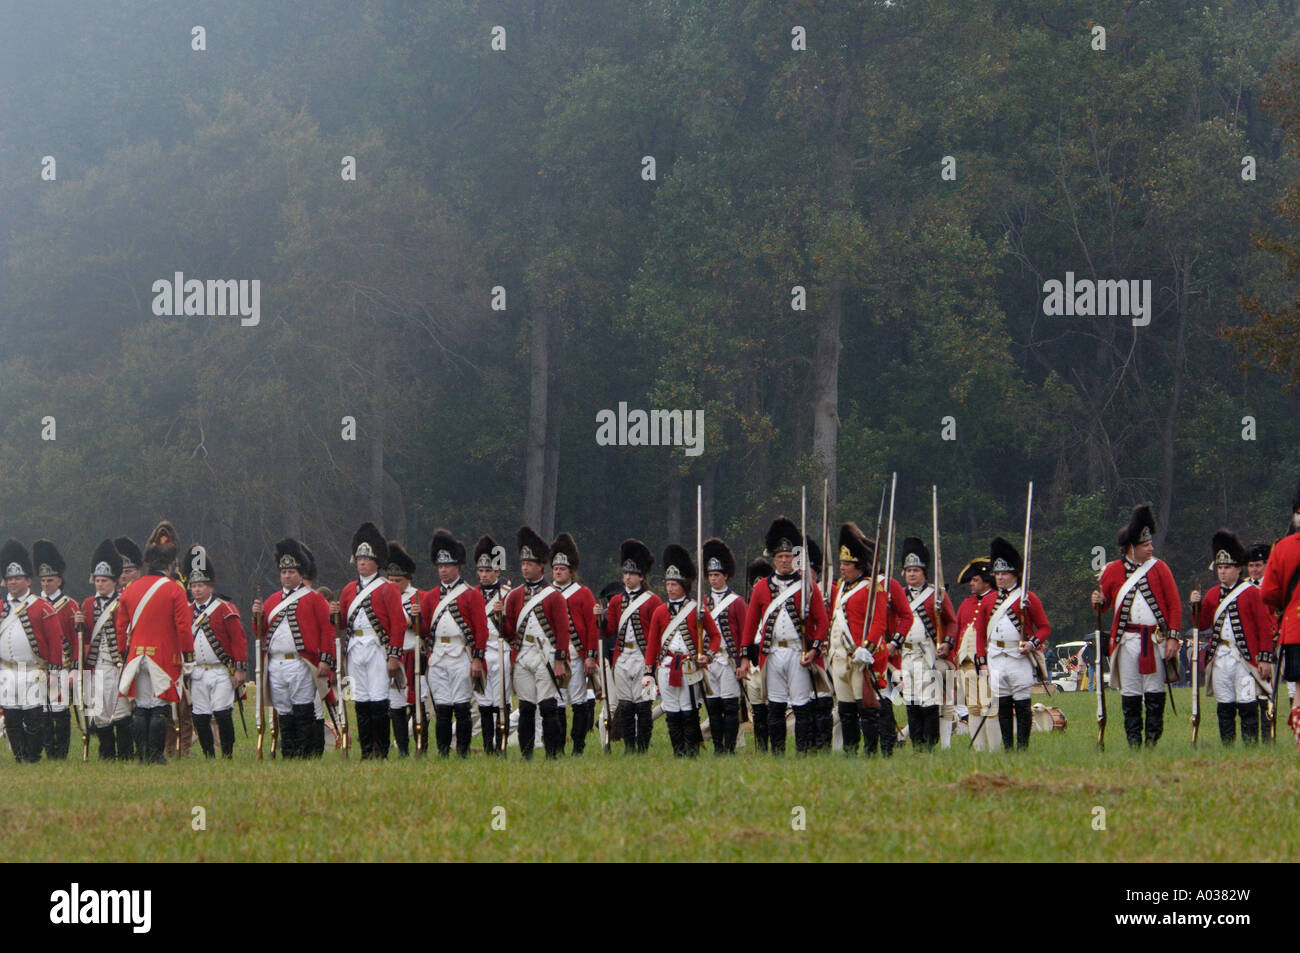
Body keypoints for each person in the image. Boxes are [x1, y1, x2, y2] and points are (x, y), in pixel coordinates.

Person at [1091, 506, 1182, 747]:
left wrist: (1172, 638)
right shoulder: (1111, 571)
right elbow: (1104, 605)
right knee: (1130, 692)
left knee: (1154, 690)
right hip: (1126, 640)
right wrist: (1097, 602)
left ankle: (1152, 740)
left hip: (1155, 640)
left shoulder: (1160, 568)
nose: (1151, 548)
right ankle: (1134, 741)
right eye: (1146, 545)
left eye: (1150, 543)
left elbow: (1174, 605)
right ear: (1131, 547)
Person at [744, 517, 829, 754]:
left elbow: (822, 621)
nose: (784, 560)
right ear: (773, 559)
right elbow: (750, 625)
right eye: (780, 557)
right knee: (776, 705)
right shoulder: (762, 588)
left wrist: (813, 649)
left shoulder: (806, 585)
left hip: (797, 652)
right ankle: (777, 752)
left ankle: (802, 751)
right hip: (772, 653)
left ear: (795, 558)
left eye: (788, 556)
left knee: (801, 703)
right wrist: (744, 655)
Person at [115, 522, 192, 764]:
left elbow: (120, 627)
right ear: (170, 564)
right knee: (158, 708)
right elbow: (182, 627)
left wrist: (121, 655)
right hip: (163, 657)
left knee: (140, 707)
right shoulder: (175, 590)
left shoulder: (130, 589)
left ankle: (141, 756)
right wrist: (188, 656)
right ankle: (156, 754)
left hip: (136, 657)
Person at [330, 523, 405, 759]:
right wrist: (333, 614)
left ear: (376, 562)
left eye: (366, 558)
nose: (361, 562)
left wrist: (393, 656)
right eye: (359, 558)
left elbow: (398, 624)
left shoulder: (388, 588)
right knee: (360, 700)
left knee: (379, 701)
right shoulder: (348, 590)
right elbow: (341, 624)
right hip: (354, 649)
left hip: (378, 648)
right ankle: (365, 751)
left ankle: (380, 751)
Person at [1191, 530, 1274, 744]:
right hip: (1220, 658)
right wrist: (1196, 607)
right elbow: (1202, 624)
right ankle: (1227, 746)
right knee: (1224, 705)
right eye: (1220, 567)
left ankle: (1250, 745)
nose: (1223, 572)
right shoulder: (1211, 595)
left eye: (1227, 567)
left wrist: (1264, 658)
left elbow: (1265, 627)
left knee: (1247, 704)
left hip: (1244, 659)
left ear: (1238, 568)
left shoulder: (1252, 593)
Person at [255, 538, 334, 758]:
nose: (287, 576)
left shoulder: (314, 598)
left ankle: (306, 753)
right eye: (284, 572)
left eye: (291, 572)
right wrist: (257, 616)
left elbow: (327, 629)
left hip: (300, 663)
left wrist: (325, 659)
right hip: (276, 663)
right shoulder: (271, 601)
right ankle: (289, 753)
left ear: (300, 573)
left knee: (303, 709)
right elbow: (260, 632)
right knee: (284, 711)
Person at [642, 544, 721, 756]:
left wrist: (708, 656)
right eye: (668, 584)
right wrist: (649, 671)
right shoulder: (660, 612)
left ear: (683, 586)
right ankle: (678, 751)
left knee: (689, 710)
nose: (669, 588)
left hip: (690, 666)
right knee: (671, 710)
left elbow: (715, 636)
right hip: (667, 666)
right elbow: (652, 644)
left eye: (674, 584)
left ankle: (691, 751)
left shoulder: (697, 609)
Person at [974, 536, 1050, 750]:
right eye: (997, 574)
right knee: (1004, 706)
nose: (1000, 578)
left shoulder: (1027, 598)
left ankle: (1022, 748)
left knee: (1022, 705)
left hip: (1019, 657)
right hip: (996, 657)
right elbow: (980, 635)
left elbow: (1045, 627)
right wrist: (983, 663)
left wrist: (1032, 644)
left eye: (1004, 573)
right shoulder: (987, 601)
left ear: (1014, 574)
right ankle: (1008, 747)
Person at [418, 529, 488, 757]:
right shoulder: (430, 597)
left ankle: (463, 752)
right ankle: (443, 751)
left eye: (447, 566)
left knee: (462, 707)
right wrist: (416, 619)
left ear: (457, 566)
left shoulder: (471, 595)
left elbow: (481, 629)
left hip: (461, 654)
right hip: (438, 654)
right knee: (443, 708)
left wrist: (477, 658)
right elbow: (424, 630)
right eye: (440, 566)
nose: (443, 570)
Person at [503, 526, 571, 759]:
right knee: (526, 708)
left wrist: (560, 660)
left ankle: (552, 755)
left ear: (541, 565)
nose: (525, 567)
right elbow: (510, 631)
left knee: (548, 708)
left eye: (529, 564)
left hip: (546, 656)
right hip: (523, 656)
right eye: (523, 563)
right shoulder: (514, 596)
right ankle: (526, 754)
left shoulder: (554, 596)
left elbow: (563, 631)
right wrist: (498, 618)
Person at [182, 545, 246, 758]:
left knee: (221, 712)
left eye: (201, 585)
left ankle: (227, 754)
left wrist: (239, 669)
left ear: (209, 587)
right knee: (200, 716)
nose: (197, 590)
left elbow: (238, 639)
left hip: (220, 671)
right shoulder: (186, 612)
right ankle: (209, 754)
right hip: (197, 672)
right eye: (193, 586)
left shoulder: (224, 608)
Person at [0, 539, 61, 762]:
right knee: (12, 718)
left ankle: (33, 756)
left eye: (17, 578)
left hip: (32, 670)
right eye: (9, 579)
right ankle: (20, 756)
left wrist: (53, 672)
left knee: (34, 719)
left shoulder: (42, 607)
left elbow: (55, 641)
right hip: (6, 672)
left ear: (28, 580)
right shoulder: (1, 607)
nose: (13, 582)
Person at [895, 536, 956, 750]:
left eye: (916, 570)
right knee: (911, 702)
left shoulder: (936, 594)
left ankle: (929, 745)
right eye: (908, 570)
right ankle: (917, 746)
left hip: (927, 653)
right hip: (906, 655)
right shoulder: (899, 595)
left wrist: (947, 644)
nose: (911, 573)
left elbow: (952, 622)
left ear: (924, 573)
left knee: (929, 703)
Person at [601, 539, 661, 754]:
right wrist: (599, 620)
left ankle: (642, 748)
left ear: (641, 576)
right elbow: (609, 631)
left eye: (632, 573)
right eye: (625, 573)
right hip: (622, 657)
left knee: (643, 706)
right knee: (625, 706)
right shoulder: (616, 601)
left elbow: (658, 633)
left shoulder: (653, 601)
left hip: (643, 658)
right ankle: (629, 747)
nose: (627, 577)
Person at [77, 540, 132, 758]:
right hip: (96, 666)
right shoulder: (88, 603)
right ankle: (106, 754)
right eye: (97, 580)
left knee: (121, 712)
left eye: (104, 581)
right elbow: (86, 635)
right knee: (100, 714)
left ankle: (126, 754)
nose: (100, 584)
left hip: (117, 665)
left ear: (113, 581)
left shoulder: (123, 600)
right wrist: (79, 625)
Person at [550, 533, 599, 755]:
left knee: (578, 699)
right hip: (552, 653)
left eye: (562, 568)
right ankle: (558, 746)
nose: (558, 571)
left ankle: (578, 746)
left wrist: (590, 656)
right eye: (555, 568)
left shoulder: (583, 593)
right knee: (558, 701)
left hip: (575, 653)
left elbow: (591, 626)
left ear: (570, 570)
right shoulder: (546, 593)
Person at [701, 537, 749, 754]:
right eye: (710, 575)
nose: (713, 579)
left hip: (729, 660)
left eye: (717, 575)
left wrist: (742, 662)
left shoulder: (737, 602)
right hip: (709, 660)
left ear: (725, 575)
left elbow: (744, 633)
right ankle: (718, 747)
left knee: (730, 707)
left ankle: (729, 748)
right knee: (713, 707)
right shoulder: (702, 602)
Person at [32, 539, 76, 759]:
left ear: (59, 580)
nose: (46, 584)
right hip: (40, 666)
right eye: (43, 580)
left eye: (50, 580)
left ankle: (62, 753)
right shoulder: (34, 605)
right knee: (43, 712)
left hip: (63, 665)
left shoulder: (69, 605)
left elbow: (76, 642)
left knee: (59, 711)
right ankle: (49, 752)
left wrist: (74, 670)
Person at [383, 542, 424, 756]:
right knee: (395, 706)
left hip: (414, 654)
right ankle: (402, 749)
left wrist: (415, 619)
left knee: (417, 703)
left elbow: (425, 628)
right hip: (393, 655)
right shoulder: (382, 596)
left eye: (397, 581)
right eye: (390, 579)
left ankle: (421, 747)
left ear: (408, 579)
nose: (393, 584)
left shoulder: (420, 597)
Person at [473, 535, 511, 754]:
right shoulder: (472, 595)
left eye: (489, 571)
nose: (485, 575)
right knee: (484, 703)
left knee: (501, 702)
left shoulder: (508, 594)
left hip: (501, 649)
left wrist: (501, 616)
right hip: (480, 651)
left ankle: (501, 746)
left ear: (497, 571)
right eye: (482, 571)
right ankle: (488, 747)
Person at [954, 557, 994, 750]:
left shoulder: (995, 600)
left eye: (975, 580)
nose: (971, 583)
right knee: (973, 707)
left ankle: (993, 746)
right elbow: (958, 631)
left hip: (985, 661)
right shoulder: (966, 604)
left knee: (988, 707)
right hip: (966, 662)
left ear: (986, 581)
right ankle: (979, 748)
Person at [1246, 543, 1277, 741]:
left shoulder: (1274, 587)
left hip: (1271, 644)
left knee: (1266, 692)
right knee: (1249, 693)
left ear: (1266, 565)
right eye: (1251, 566)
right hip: (1248, 647)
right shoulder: (1243, 588)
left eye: (1258, 565)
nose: (1254, 570)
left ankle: (1268, 736)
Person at [742, 559, 773, 751]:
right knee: (758, 710)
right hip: (753, 667)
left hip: (768, 664)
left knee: (772, 708)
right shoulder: (747, 610)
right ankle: (761, 747)